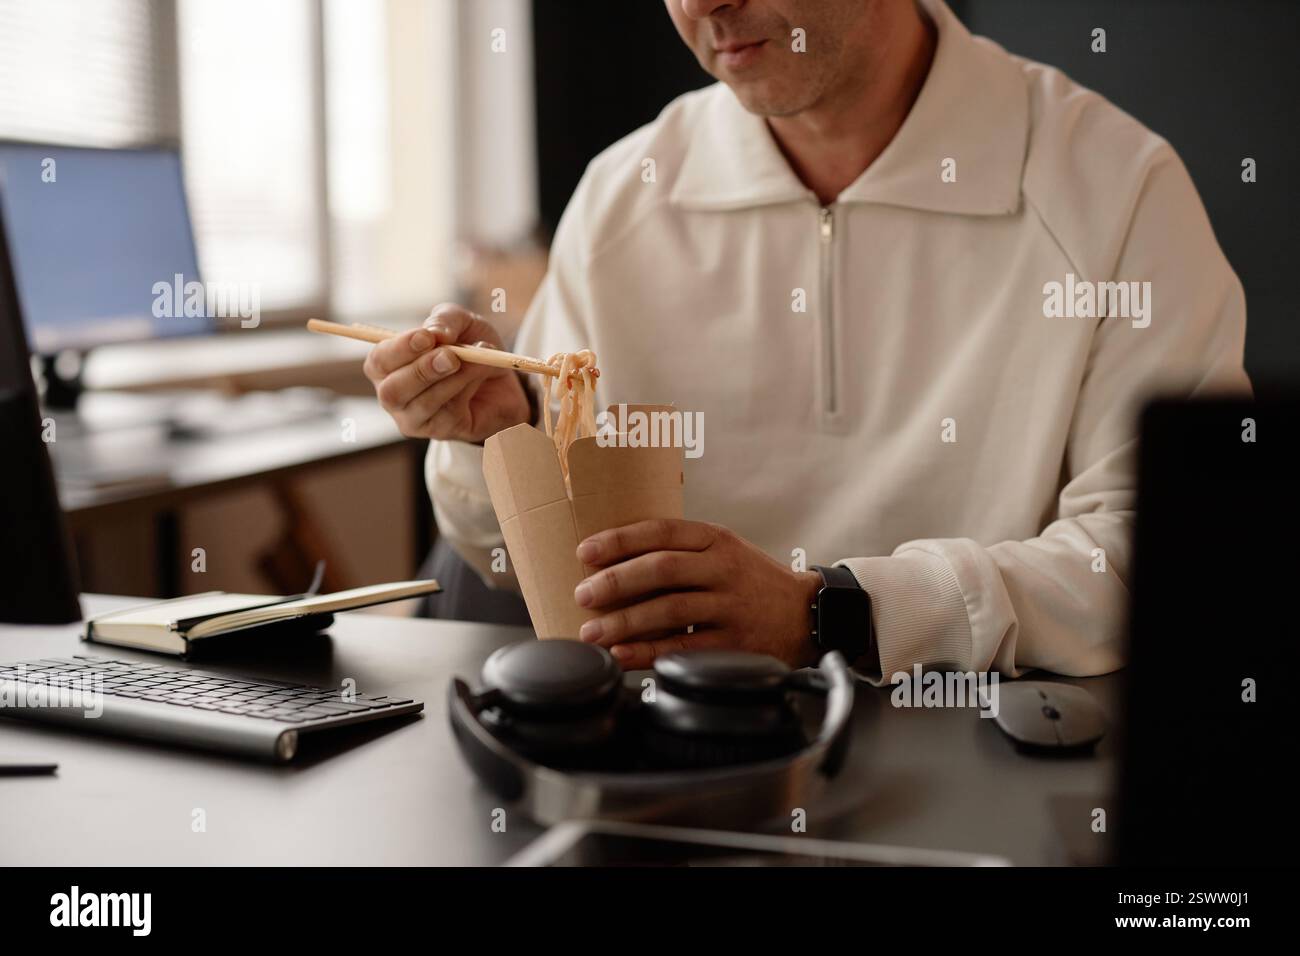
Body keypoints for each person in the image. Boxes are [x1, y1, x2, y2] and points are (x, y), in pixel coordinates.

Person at [363, 0, 1247, 678]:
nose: (705, 1)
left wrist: (832, 611)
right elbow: (523, 570)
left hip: (980, 756)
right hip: (676, 760)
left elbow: (1175, 557)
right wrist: (499, 433)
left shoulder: (1116, 189)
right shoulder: (624, 195)